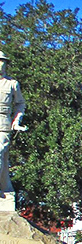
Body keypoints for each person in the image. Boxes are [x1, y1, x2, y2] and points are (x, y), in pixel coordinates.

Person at [0, 51, 26, 207]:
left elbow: (20, 103)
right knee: (3, 161)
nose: (1, 64)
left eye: (3, 61)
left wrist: (16, 121)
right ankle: (6, 190)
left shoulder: (12, 84)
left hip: (3, 124)